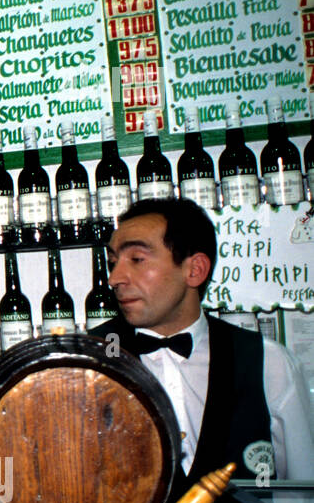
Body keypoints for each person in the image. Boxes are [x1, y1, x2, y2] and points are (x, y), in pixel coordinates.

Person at [92, 199, 314, 483]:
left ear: (195, 270)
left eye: (136, 259)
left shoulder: (267, 361)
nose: (114, 278)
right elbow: (19, 462)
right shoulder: (88, 359)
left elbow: (303, 499)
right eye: (112, 262)